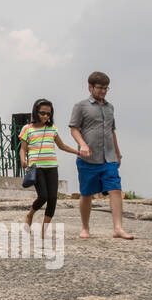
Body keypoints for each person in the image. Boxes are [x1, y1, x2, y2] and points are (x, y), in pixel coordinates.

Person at [68, 71, 134, 240]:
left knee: (115, 189)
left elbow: (112, 131)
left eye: (106, 88)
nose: (103, 91)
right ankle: (85, 228)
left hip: (109, 157)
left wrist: (118, 154)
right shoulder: (80, 106)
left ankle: (118, 228)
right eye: (100, 88)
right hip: (88, 158)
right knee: (86, 193)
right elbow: (74, 128)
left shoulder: (110, 107)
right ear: (90, 87)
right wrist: (82, 144)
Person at [20, 99, 78, 242]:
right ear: (36, 112)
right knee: (43, 196)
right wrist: (23, 160)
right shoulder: (27, 128)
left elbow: (62, 145)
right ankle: (30, 215)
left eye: (48, 114)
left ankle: (43, 231)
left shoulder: (52, 128)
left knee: (53, 198)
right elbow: (23, 148)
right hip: (36, 167)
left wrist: (78, 152)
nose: (46, 116)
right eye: (43, 113)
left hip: (52, 166)